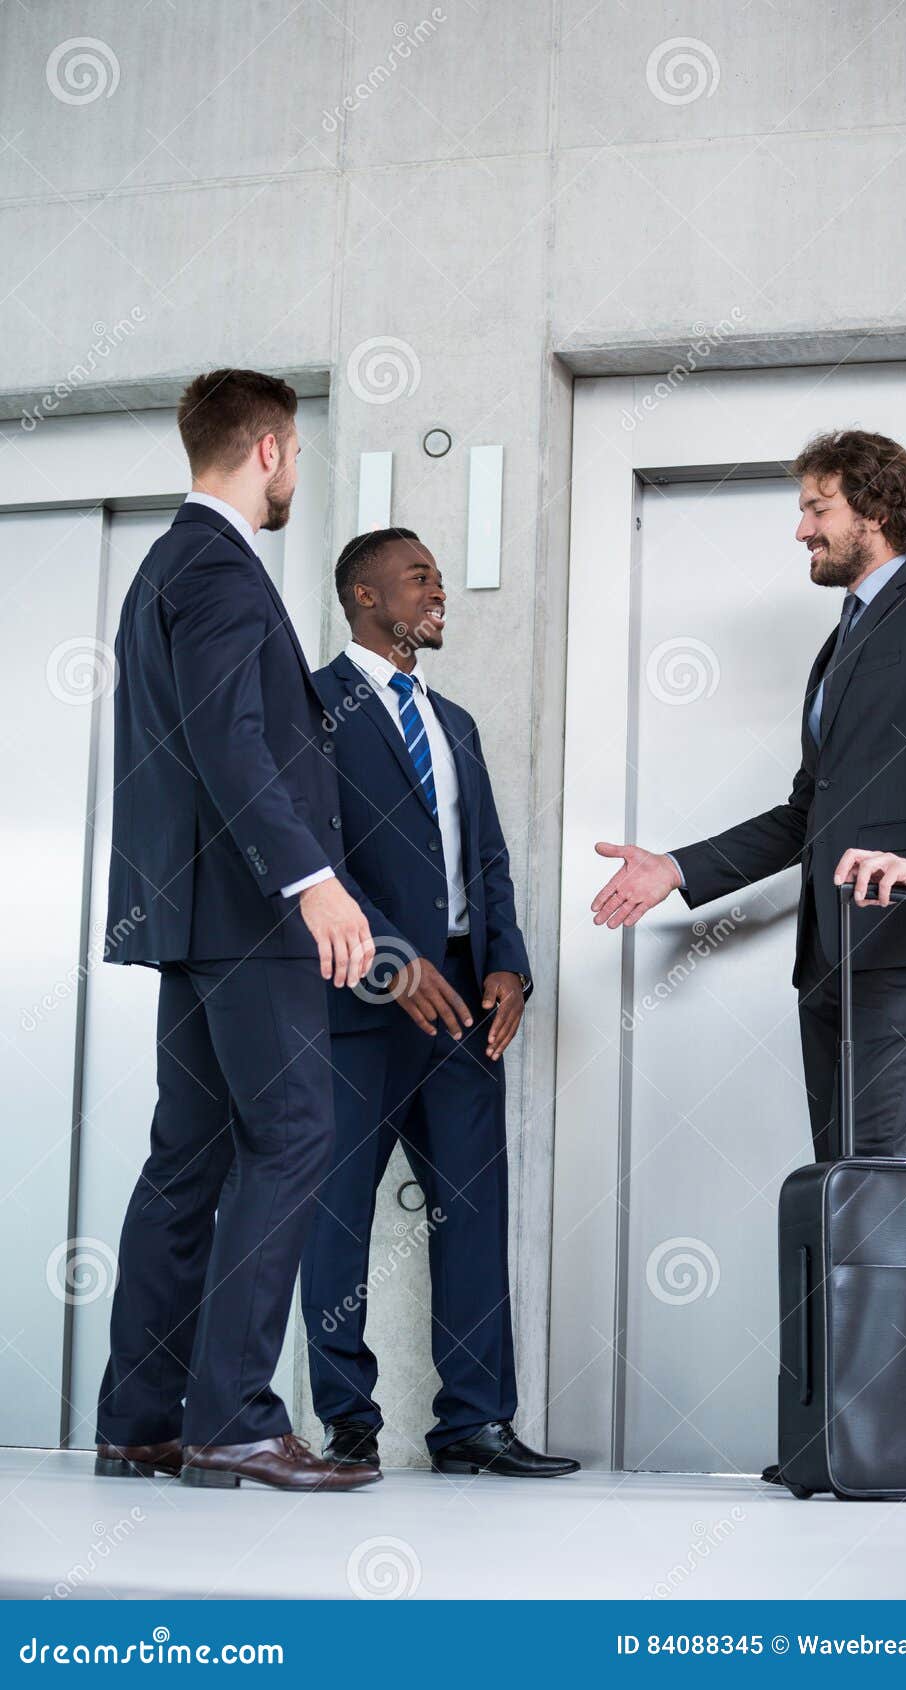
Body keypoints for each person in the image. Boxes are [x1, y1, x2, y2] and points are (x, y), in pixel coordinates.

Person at [95, 369, 380, 1493]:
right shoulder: (219, 567)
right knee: (295, 1133)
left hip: (194, 917)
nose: (297, 473)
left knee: (189, 1158)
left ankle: (142, 1418)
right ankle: (233, 1419)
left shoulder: (164, 567)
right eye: (299, 454)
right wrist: (311, 878)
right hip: (252, 916)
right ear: (269, 449)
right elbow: (230, 740)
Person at [591, 428, 906, 1166]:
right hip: (828, 945)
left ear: (875, 509)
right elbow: (806, 813)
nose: (801, 529)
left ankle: (904, 1285)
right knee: (838, 1164)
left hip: (905, 928)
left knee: (875, 1158)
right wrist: (676, 868)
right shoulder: (838, 643)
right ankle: (834, 1290)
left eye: (817, 508)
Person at [301, 528, 579, 1478]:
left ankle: (473, 1424)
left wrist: (507, 965)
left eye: (439, 579)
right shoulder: (312, 703)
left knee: (473, 1205)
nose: (438, 592)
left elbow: (486, 857)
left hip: (463, 1000)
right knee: (334, 1214)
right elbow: (309, 856)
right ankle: (348, 1421)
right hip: (360, 999)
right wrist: (389, 957)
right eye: (420, 578)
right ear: (365, 596)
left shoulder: (452, 719)